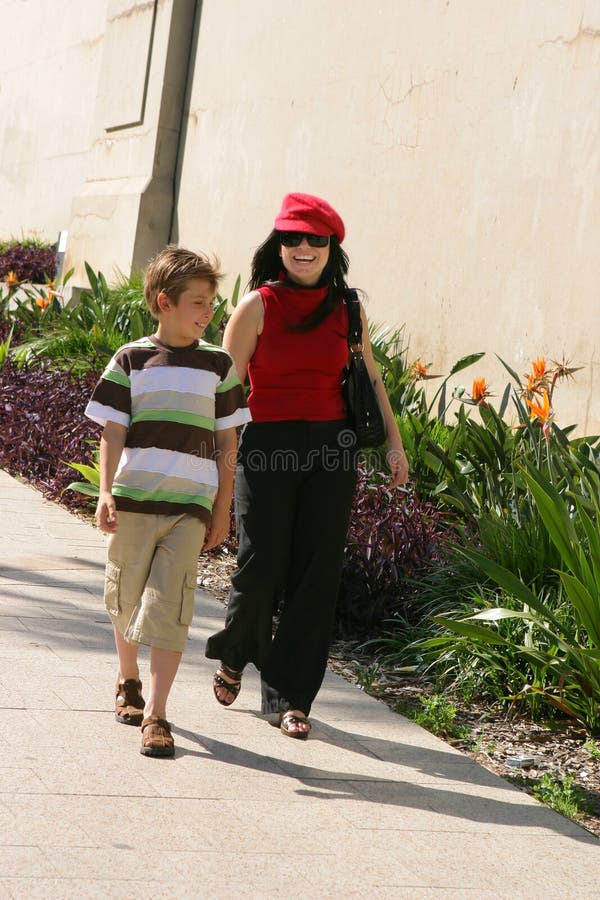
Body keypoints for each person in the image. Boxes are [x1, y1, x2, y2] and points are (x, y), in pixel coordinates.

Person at [205, 193, 409, 739]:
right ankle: (236, 649)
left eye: (315, 240)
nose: (303, 248)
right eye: (293, 238)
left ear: (330, 248)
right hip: (267, 446)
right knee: (261, 564)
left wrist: (395, 443)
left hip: (332, 449)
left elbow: (372, 379)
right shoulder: (257, 305)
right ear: (279, 245)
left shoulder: (350, 310)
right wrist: (219, 457)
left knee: (315, 575)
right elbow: (226, 387)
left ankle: (292, 696)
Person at [85, 245, 250, 757]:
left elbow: (229, 444)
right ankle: (127, 679)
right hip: (134, 502)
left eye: (212, 303)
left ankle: (156, 714)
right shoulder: (131, 360)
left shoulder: (219, 366)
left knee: (171, 607)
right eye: (199, 302)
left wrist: (222, 510)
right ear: (164, 302)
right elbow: (112, 432)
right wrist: (106, 491)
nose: (209, 312)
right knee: (125, 597)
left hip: (188, 511)